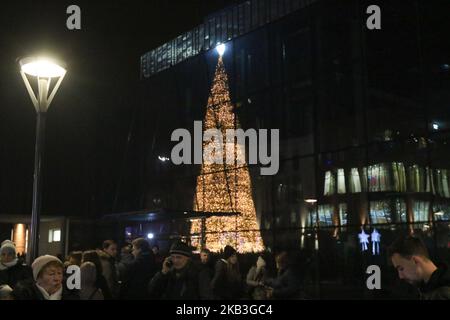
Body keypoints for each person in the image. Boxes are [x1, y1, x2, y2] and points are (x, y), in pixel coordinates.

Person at [388, 235, 450, 300]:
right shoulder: (427, 289)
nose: (400, 276)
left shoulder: (442, 294)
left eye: (401, 269)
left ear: (415, 261)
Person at [148, 241, 213, 299]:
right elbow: (152, 291)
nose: (175, 260)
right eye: (173, 257)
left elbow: (206, 296)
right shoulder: (169, 272)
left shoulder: (199, 273)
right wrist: (163, 272)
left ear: (187, 258)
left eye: (179, 257)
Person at [12, 255, 79, 300]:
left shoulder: (72, 293)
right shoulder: (25, 294)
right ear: (38, 278)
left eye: (59, 273)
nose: (57, 278)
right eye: (51, 274)